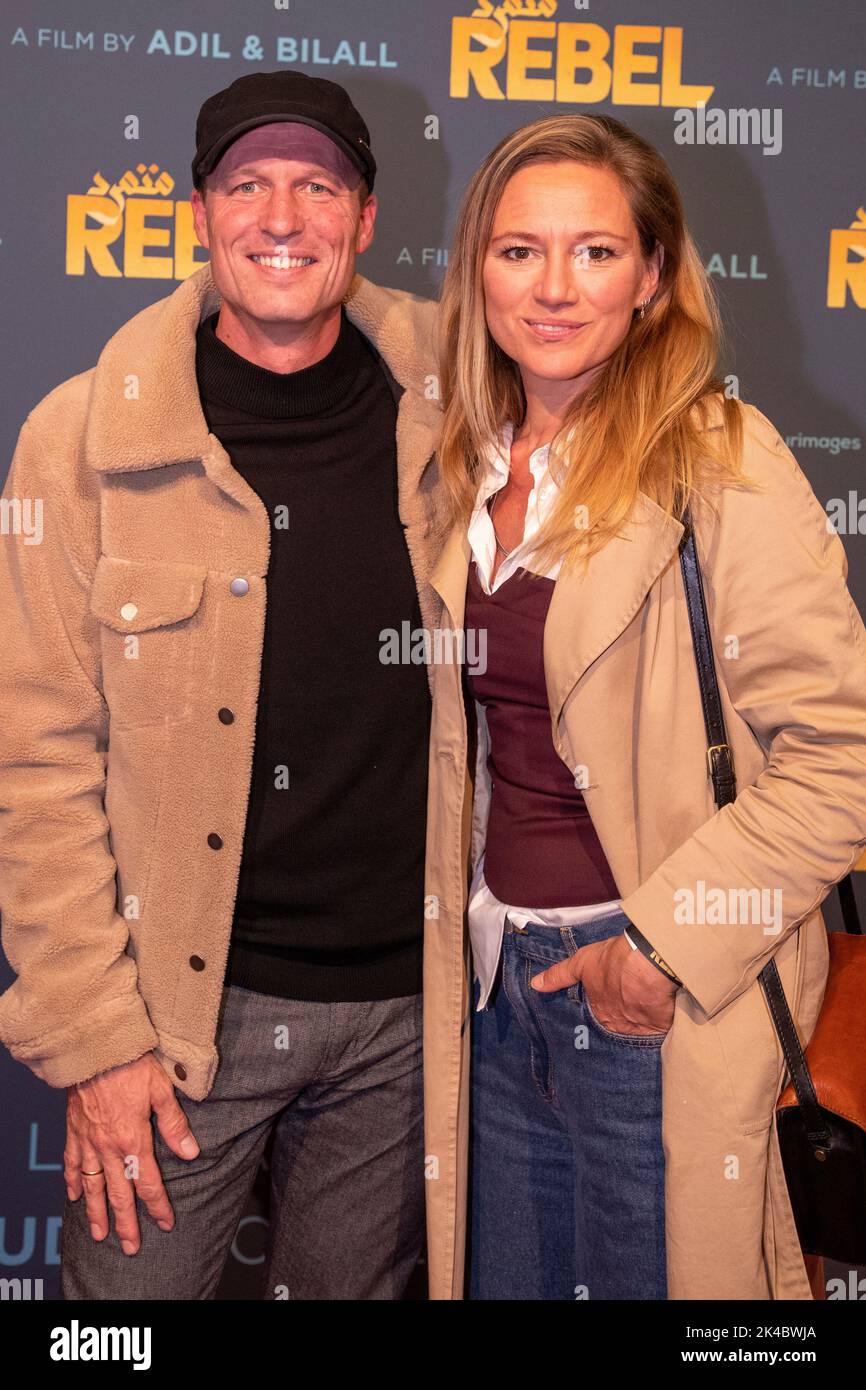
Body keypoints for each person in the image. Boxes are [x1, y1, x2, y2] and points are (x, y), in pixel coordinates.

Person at [0, 70, 448, 1299]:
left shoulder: (464, 408)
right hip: (179, 1020)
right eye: (247, 185)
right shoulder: (81, 437)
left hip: (410, 1017)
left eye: (318, 185)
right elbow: (32, 760)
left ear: (364, 217)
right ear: (198, 213)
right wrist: (96, 1041)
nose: (282, 217)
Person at [420, 112, 866, 1300]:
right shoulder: (459, 463)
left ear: (654, 277)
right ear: (475, 275)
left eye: (595, 252)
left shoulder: (718, 458)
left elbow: (841, 760)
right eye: (518, 251)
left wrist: (660, 948)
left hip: (646, 1002)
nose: (553, 287)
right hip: (490, 992)